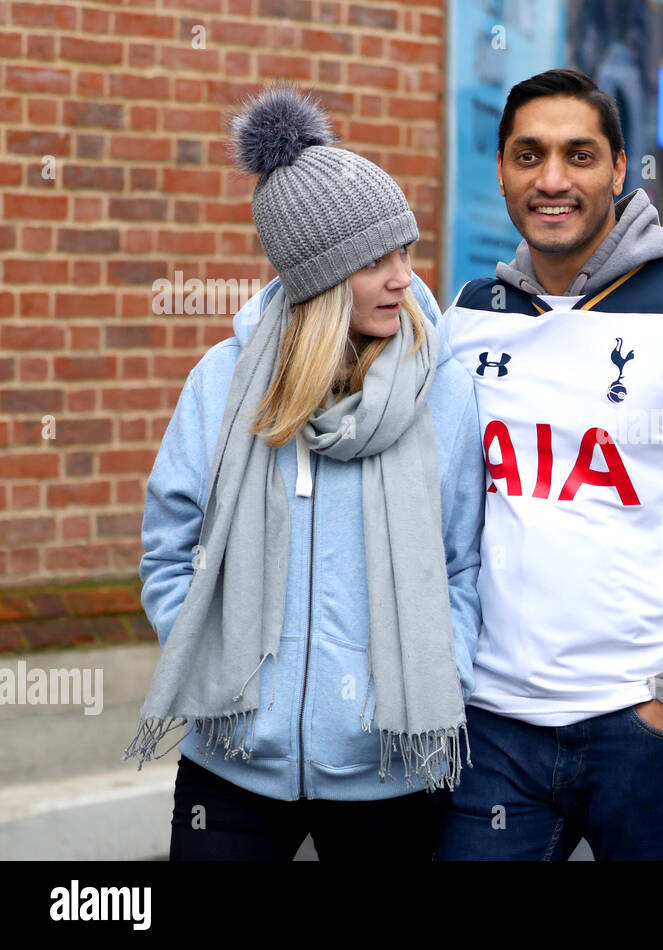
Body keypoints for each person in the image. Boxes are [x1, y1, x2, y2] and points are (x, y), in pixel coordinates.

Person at [414, 68, 663, 860]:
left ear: (620, 171)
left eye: (579, 156)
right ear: (501, 170)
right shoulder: (466, 317)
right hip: (492, 730)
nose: (552, 180)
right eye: (529, 156)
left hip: (646, 728)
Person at [131, 86, 485, 861]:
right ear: (319, 278)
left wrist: (435, 669)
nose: (401, 278)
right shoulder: (224, 384)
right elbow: (168, 547)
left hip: (393, 763)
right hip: (230, 760)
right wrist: (213, 656)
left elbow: (465, 560)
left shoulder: (442, 388)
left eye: (404, 251)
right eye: (373, 261)